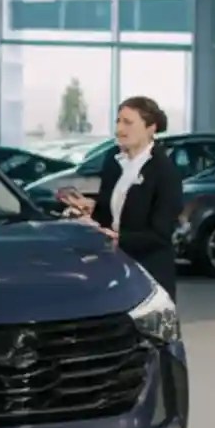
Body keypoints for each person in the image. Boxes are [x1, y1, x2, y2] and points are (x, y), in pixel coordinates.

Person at [63, 97, 183, 299]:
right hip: (114, 268)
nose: (119, 129)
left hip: (148, 273)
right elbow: (109, 213)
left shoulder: (164, 171)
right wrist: (90, 211)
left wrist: (118, 240)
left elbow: (160, 235)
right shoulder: (113, 161)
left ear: (150, 128)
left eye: (128, 123)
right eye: (118, 121)